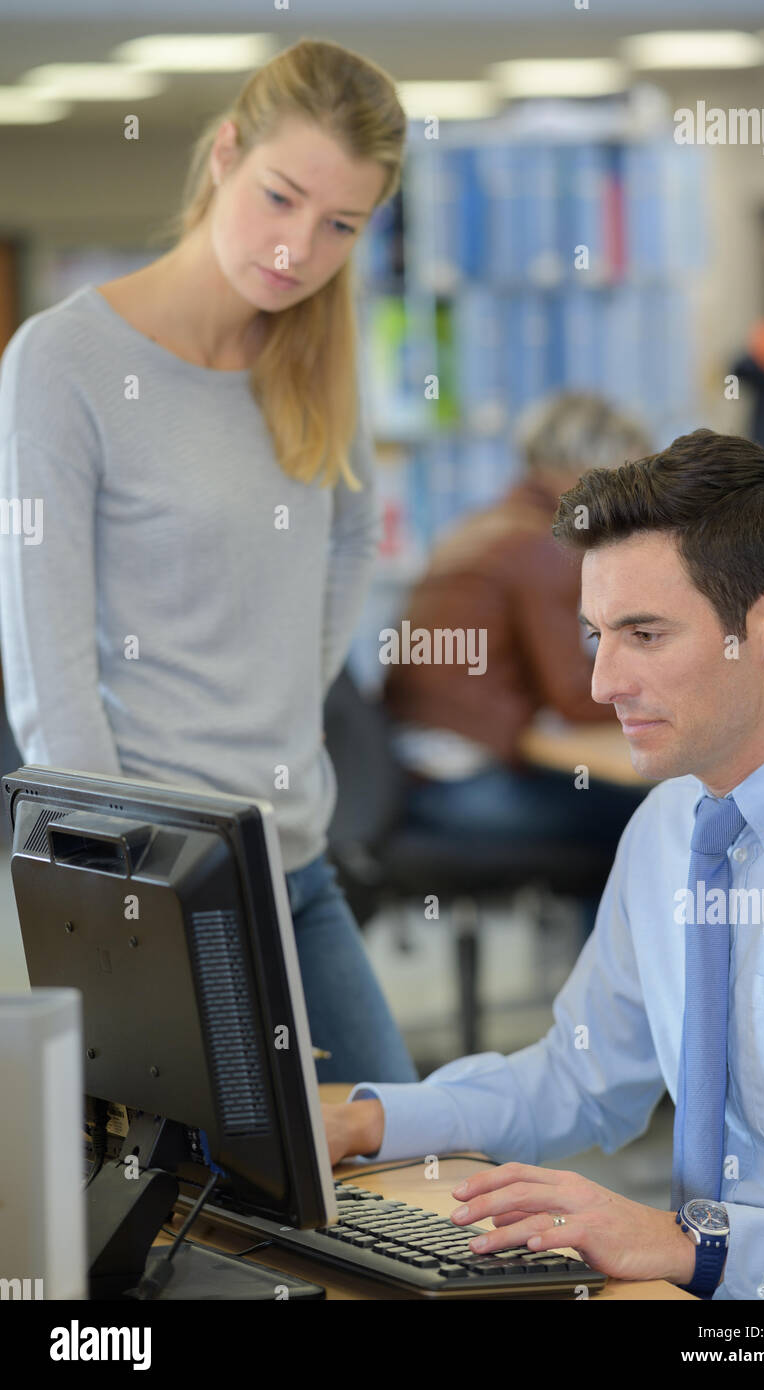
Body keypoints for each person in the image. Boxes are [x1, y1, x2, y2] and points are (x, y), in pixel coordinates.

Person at [322, 428, 764, 1300]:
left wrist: (695, 1249)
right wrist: (373, 1119)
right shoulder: (667, 827)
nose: (605, 680)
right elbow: (579, 1076)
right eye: (596, 636)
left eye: (644, 634)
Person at [0, 39, 417, 1083]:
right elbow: (46, 671)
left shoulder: (314, 352)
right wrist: (117, 893)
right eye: (279, 197)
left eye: (338, 226)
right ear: (225, 153)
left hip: (294, 859)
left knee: (400, 1162)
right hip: (152, 873)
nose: (295, 249)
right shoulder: (65, 362)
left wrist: (281, 690)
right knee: (191, 1218)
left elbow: (354, 529)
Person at [384, 392, 653, 852]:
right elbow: (573, 695)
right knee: (651, 815)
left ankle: (598, 924)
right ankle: (610, 928)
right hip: (462, 784)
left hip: (411, 774)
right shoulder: (543, 546)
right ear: (596, 469)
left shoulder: (484, 525)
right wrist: (683, 699)